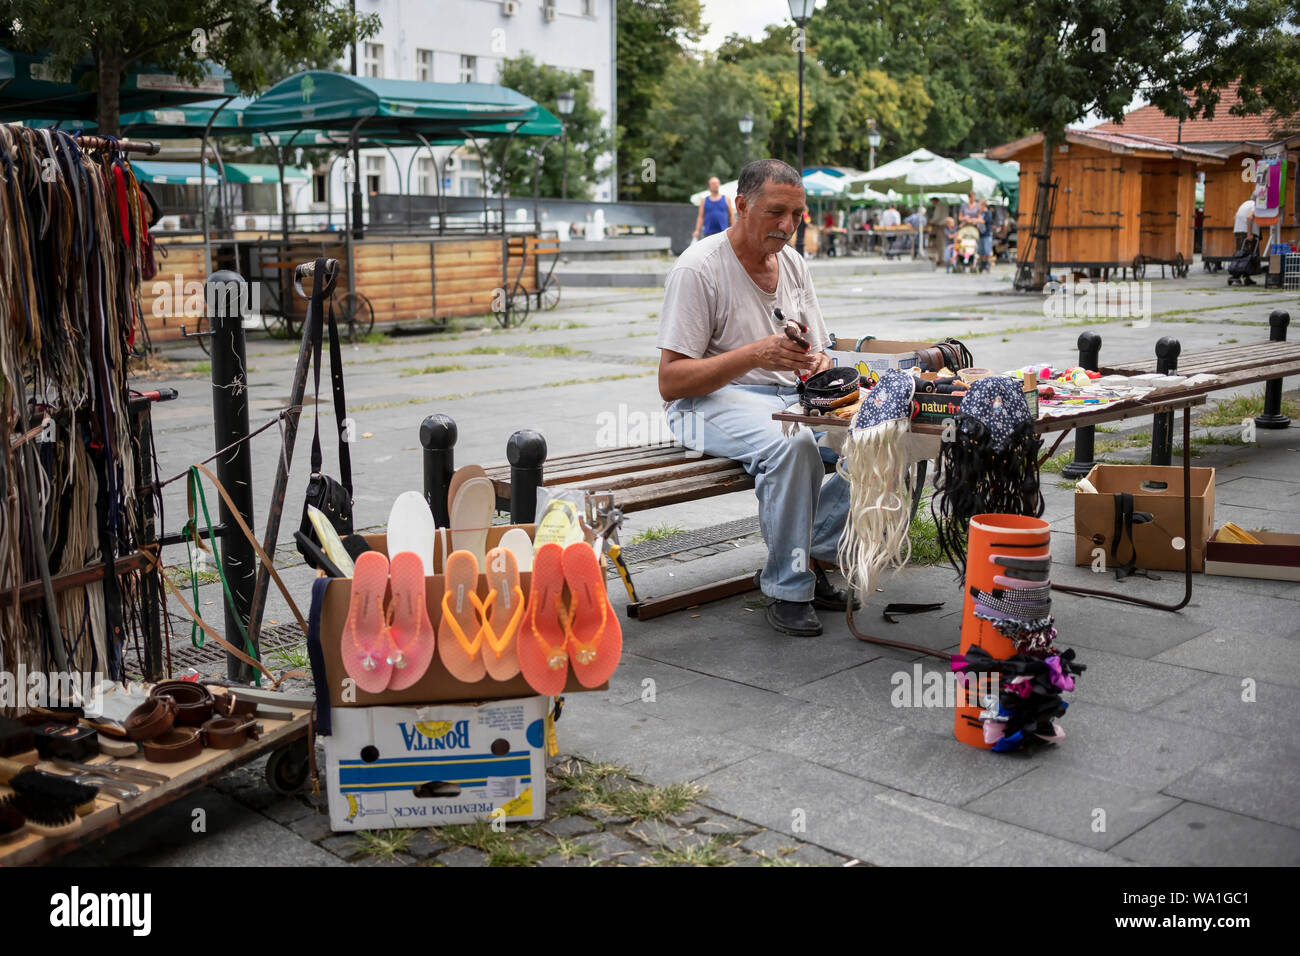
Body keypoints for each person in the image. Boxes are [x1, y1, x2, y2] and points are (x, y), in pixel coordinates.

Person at [657, 158, 855, 637]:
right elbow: (671, 382)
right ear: (740, 206)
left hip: (785, 397)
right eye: (775, 212)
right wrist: (756, 353)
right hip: (705, 403)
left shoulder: (793, 263)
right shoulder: (698, 269)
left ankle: (810, 552)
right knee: (793, 446)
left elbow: (820, 346)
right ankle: (788, 588)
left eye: (797, 214)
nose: (788, 226)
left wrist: (819, 362)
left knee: (887, 438)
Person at [693, 176, 733, 240]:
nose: (716, 185)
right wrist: (697, 230)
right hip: (708, 234)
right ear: (709, 186)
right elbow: (700, 217)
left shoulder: (726, 199)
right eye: (713, 183)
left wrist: (732, 229)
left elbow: (731, 215)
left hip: (723, 233)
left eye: (717, 183)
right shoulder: (704, 201)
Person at [928, 197, 947, 266]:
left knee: (940, 244)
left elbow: (936, 217)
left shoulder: (939, 206)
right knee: (940, 244)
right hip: (942, 226)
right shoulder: (944, 205)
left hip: (940, 227)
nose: (932, 203)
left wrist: (930, 222)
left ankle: (941, 260)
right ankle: (940, 259)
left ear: (935, 200)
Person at [977, 200, 994, 270]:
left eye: (979, 205)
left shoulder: (988, 213)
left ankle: (986, 264)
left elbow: (983, 221)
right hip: (981, 234)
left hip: (987, 234)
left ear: (983, 206)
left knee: (987, 251)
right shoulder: (981, 214)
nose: (978, 207)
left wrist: (975, 220)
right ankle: (982, 265)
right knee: (981, 251)